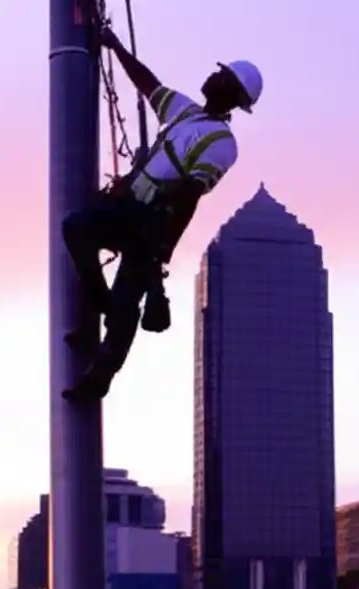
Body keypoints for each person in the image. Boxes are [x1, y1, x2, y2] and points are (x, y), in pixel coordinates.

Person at [61, 23, 263, 401]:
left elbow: (190, 192)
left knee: (127, 302)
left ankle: (99, 376)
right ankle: (98, 308)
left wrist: (162, 245)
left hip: (153, 224)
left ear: (233, 93)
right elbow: (149, 85)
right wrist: (115, 46)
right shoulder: (187, 113)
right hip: (129, 208)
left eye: (221, 76)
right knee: (76, 228)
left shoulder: (223, 144)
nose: (212, 76)